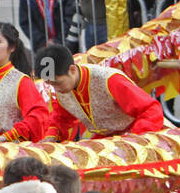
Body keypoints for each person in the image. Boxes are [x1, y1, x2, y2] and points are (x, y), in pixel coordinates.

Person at [35, 43, 163, 140]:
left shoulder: (110, 80)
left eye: (57, 83)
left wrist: (134, 140)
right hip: (106, 139)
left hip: (137, 135)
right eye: (50, 84)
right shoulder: (62, 87)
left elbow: (151, 109)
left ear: (72, 70)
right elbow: (61, 118)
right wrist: (50, 137)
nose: (55, 89)